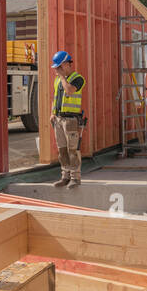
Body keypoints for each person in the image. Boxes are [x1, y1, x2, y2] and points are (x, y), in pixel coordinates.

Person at [50, 50, 86, 189]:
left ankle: (75, 178)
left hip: (71, 120)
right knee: (62, 150)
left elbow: (70, 90)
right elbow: (55, 97)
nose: (56, 70)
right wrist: (53, 113)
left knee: (73, 150)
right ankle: (65, 176)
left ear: (66, 64)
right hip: (59, 119)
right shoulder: (58, 80)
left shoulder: (78, 78)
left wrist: (63, 77)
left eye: (58, 67)